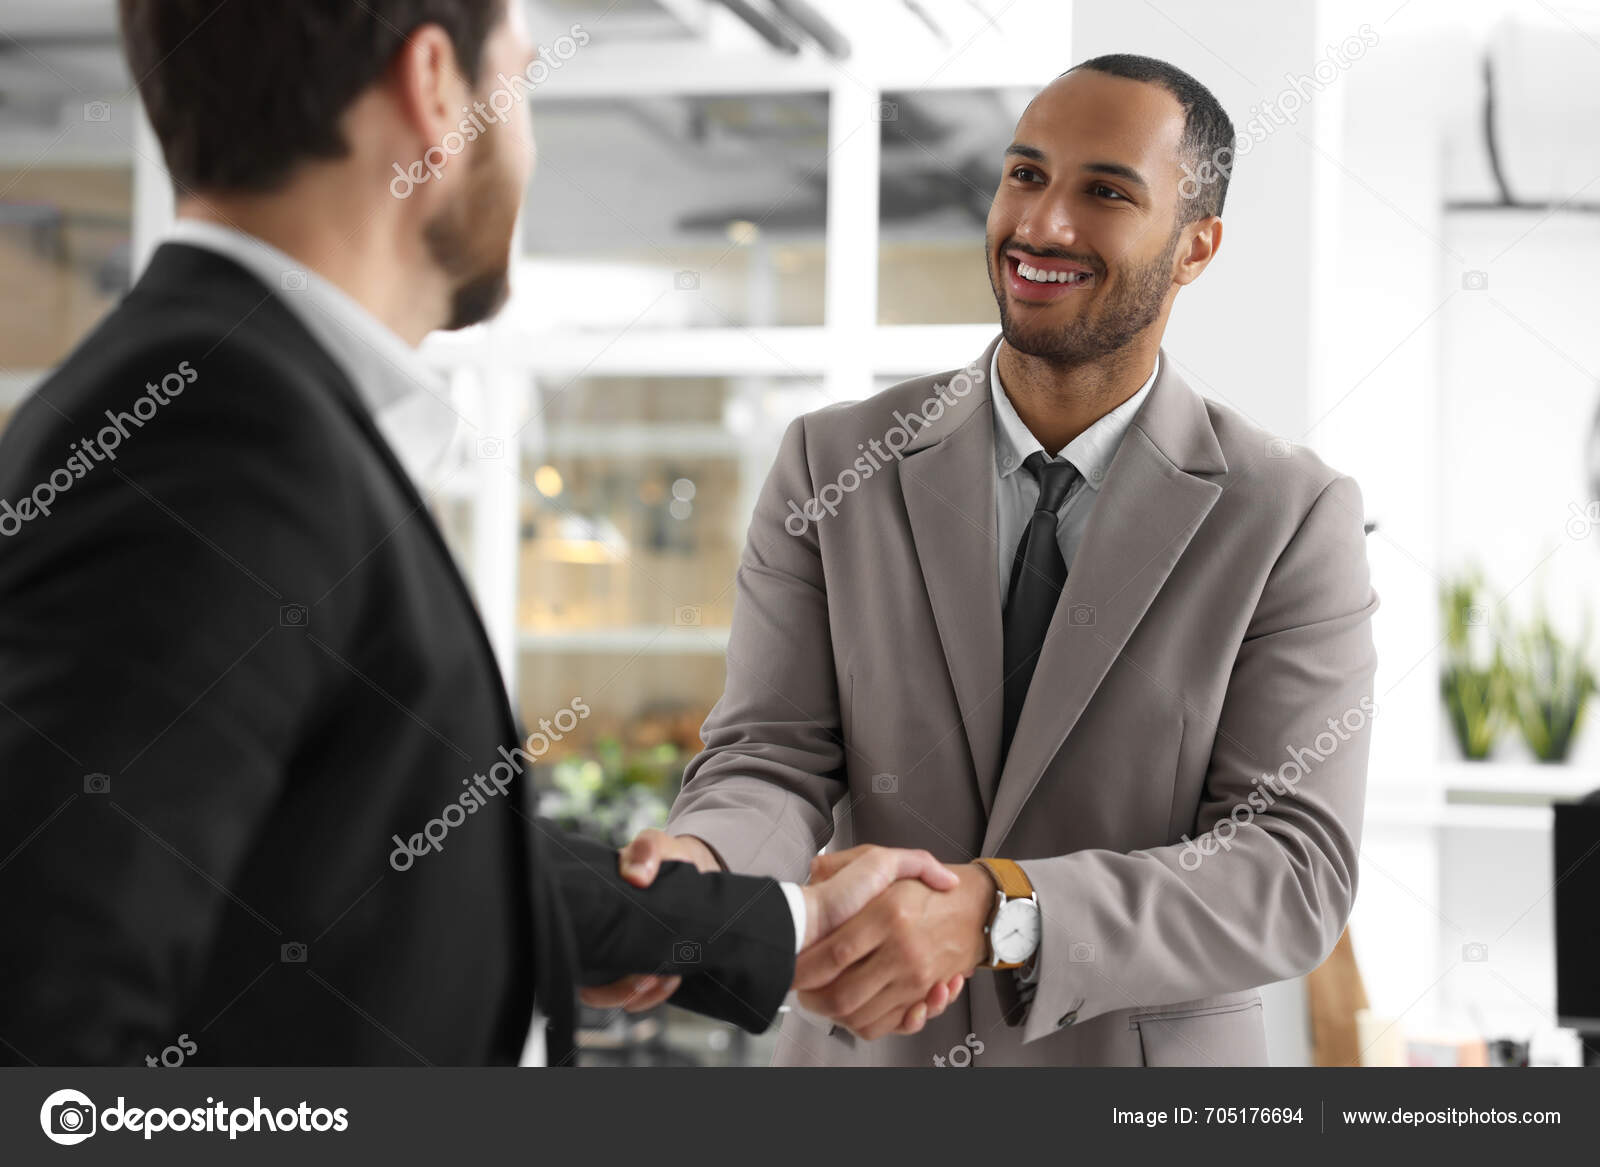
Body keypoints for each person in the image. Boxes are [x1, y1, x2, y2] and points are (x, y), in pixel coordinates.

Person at [0, 0, 961, 1067]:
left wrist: (775, 923)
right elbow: (53, 1009)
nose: (530, 141)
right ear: (436, 88)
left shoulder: (251, 400)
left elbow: (367, 847)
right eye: (523, 84)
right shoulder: (214, 432)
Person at [634, 54, 1380, 1066]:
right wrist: (703, 861)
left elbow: (1288, 871)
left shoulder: (1289, 516)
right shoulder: (832, 462)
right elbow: (773, 754)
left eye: (1105, 192)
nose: (1044, 226)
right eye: (1025, 175)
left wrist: (1002, 912)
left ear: (1195, 247)